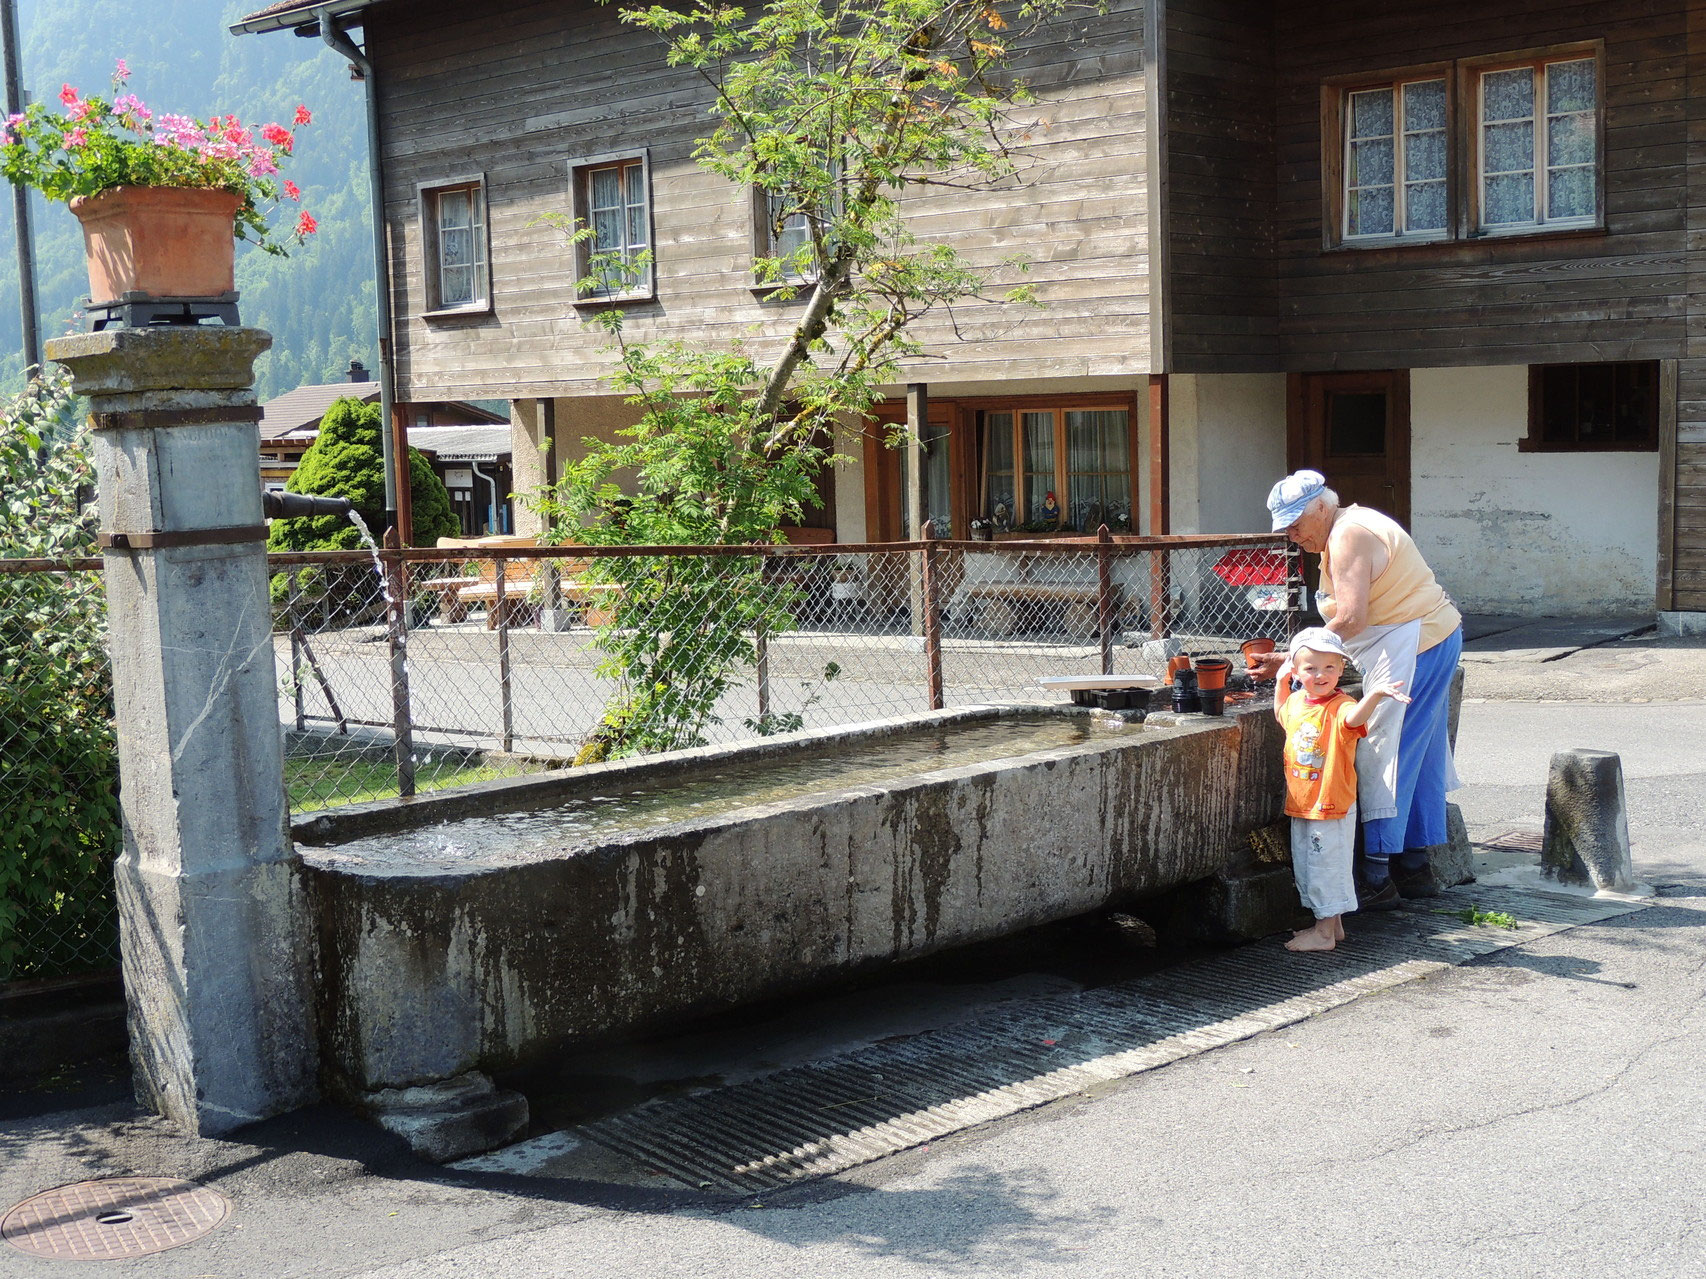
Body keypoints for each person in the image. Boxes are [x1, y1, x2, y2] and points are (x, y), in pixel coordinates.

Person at [1263, 469, 1464, 909]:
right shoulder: (1355, 521)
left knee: (1385, 755)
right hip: (1433, 636)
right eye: (1287, 527)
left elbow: (1351, 617)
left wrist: (1297, 654)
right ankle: (1414, 867)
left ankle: (1376, 877)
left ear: (1321, 507)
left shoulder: (1347, 535)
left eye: (1297, 523)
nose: (1293, 534)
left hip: (1414, 644)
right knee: (1422, 751)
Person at [1275, 627, 1410, 952]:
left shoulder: (1341, 706)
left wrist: (1375, 695)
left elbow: (1354, 720)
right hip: (1305, 803)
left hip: (1331, 804)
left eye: (1329, 668)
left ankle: (1322, 934)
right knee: (1309, 865)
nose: (1320, 675)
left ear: (1341, 669)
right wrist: (1279, 682)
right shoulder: (1296, 702)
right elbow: (1280, 713)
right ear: (1296, 671)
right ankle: (1332, 927)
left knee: (1325, 867)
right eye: (1310, 668)